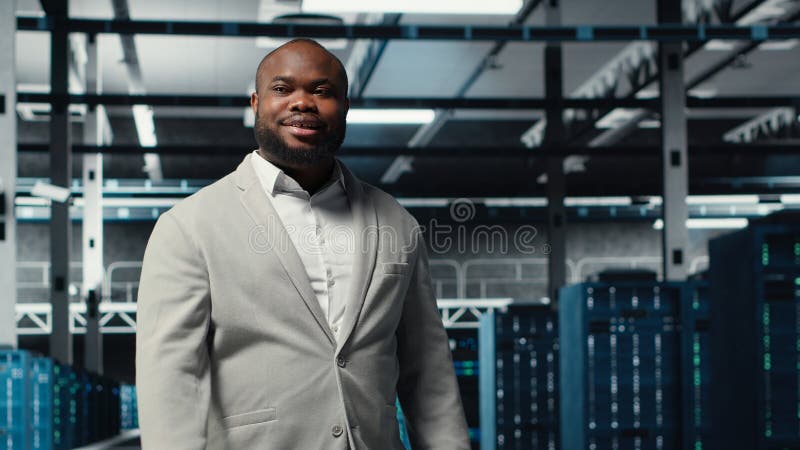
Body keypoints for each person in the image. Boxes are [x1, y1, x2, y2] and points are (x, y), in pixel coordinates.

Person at [135, 38, 469, 449]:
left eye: (322, 91)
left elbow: (429, 371)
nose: (303, 103)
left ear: (345, 107)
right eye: (282, 89)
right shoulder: (189, 226)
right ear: (256, 102)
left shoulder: (395, 221)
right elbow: (169, 380)